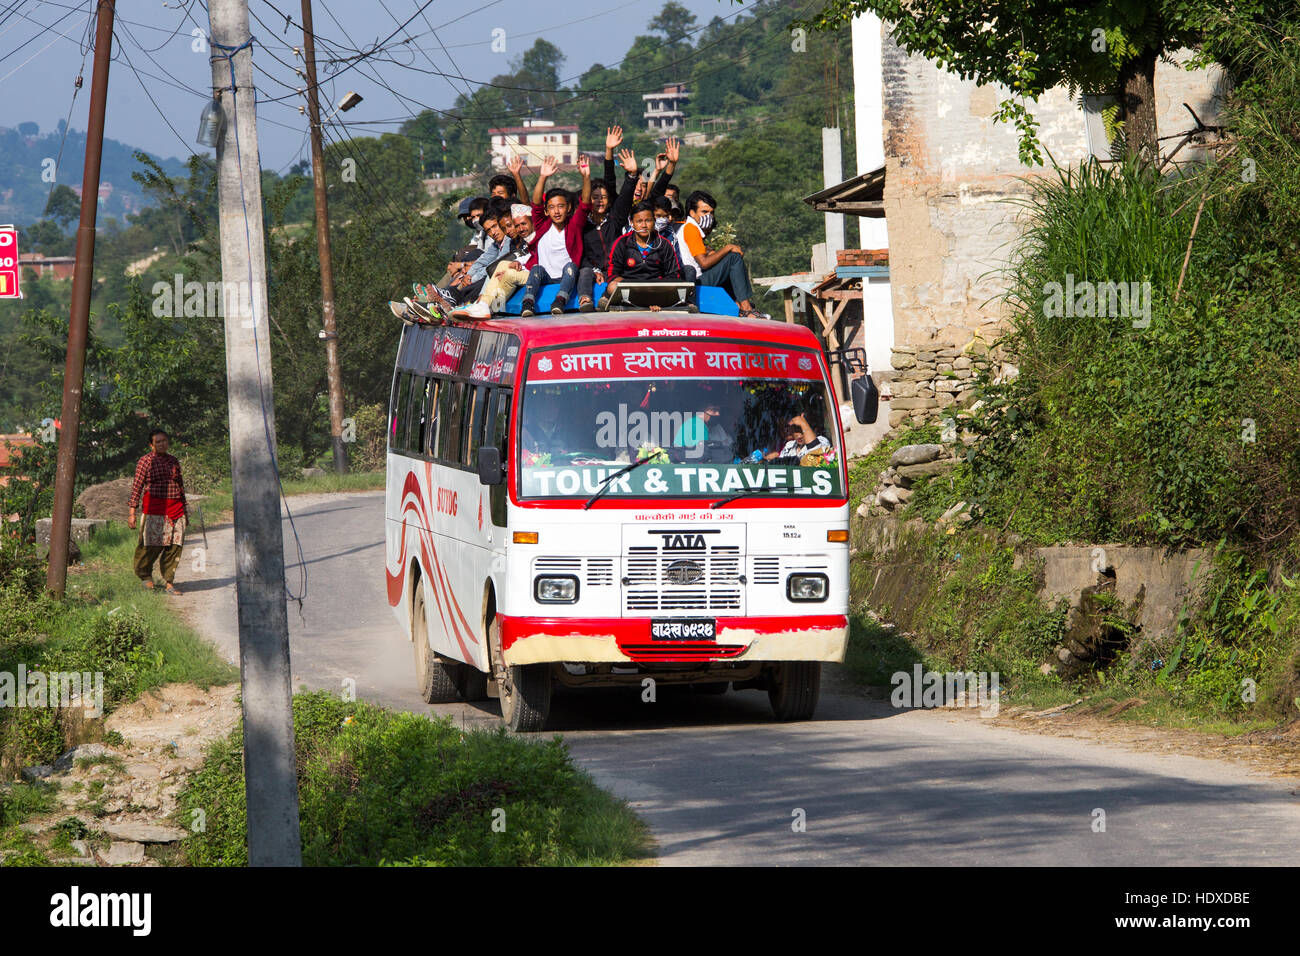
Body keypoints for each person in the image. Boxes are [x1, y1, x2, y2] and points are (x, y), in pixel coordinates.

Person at [676, 190, 771, 319]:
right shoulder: (691, 229)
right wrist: (728, 247)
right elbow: (703, 263)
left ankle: (737, 304)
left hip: (698, 277)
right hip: (695, 281)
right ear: (692, 213)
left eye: (711, 213)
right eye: (704, 212)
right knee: (733, 258)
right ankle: (746, 309)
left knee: (725, 261)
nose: (709, 216)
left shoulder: (691, 228)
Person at [522, 154, 591, 316]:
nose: (557, 211)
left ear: (568, 208)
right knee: (536, 269)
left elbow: (585, 204)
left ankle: (560, 300)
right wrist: (543, 176)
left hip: (567, 277)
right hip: (545, 277)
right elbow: (536, 203)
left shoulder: (573, 225)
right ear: (547, 211)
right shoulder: (542, 225)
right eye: (552, 207)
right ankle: (528, 302)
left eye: (561, 206)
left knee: (571, 267)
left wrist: (586, 177)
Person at [599, 202, 694, 312]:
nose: (644, 226)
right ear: (631, 223)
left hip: (656, 288)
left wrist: (656, 290)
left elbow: (673, 274)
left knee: (682, 285)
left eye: (648, 220)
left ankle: (652, 303)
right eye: (639, 221)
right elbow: (612, 273)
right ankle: (647, 303)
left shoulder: (664, 244)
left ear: (654, 221)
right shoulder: (622, 243)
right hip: (630, 287)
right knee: (612, 286)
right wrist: (631, 285)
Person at [579, 144, 640, 312]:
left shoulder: (615, 219)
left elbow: (625, 196)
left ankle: (606, 298)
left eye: (604, 197)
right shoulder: (582, 224)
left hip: (614, 270)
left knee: (624, 277)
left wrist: (632, 175)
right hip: (591, 270)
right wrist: (594, 270)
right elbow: (581, 254)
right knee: (584, 272)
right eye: (596, 197)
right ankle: (585, 300)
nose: (600, 201)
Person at [127, 429, 188, 595]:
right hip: (154, 509)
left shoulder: (173, 461)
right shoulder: (145, 461)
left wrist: (185, 512)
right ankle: (145, 575)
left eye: (165, 441)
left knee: (175, 546)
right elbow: (137, 488)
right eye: (158, 442)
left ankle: (169, 582)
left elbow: (180, 487)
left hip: (176, 508)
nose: (162, 444)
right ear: (151, 445)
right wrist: (132, 513)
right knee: (150, 545)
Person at [765, 411, 831, 462]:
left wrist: (803, 423)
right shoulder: (789, 446)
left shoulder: (822, 441)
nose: (799, 436)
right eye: (795, 431)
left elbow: (816, 453)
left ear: (814, 430)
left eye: (803, 430)